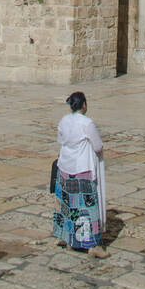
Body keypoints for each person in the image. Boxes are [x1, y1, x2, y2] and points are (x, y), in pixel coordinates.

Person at [52, 92, 107, 258]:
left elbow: (60, 141)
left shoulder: (64, 120)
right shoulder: (87, 122)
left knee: (68, 205)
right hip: (82, 168)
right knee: (88, 207)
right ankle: (93, 246)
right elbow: (97, 146)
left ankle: (69, 239)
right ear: (84, 105)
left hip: (65, 167)